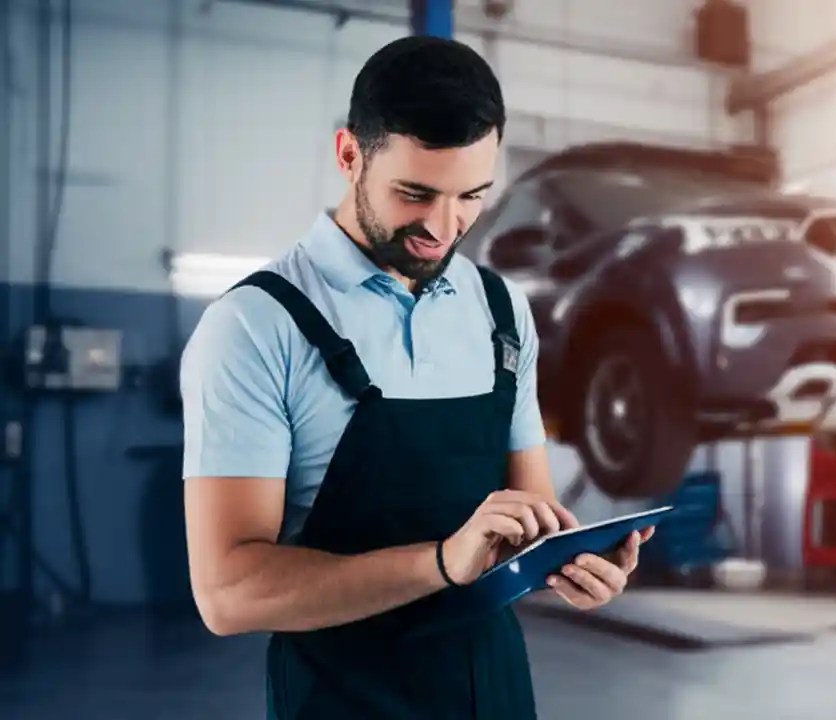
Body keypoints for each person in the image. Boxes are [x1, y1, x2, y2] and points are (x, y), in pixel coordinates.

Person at [180, 35, 653, 719]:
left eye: (472, 196)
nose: (444, 226)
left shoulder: (501, 310)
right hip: (344, 699)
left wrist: (576, 564)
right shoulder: (257, 326)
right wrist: (441, 561)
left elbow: (531, 523)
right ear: (349, 155)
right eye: (414, 193)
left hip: (494, 691)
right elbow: (228, 593)